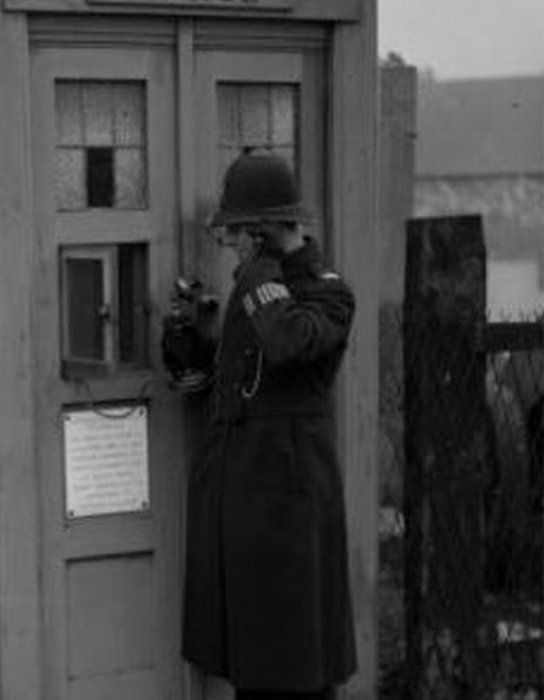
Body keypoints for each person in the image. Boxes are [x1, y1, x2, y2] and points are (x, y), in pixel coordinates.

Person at [163, 150, 357, 698]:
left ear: (264, 233)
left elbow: (288, 344)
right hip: (240, 500)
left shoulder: (328, 291)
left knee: (292, 666)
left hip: (287, 507)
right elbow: (243, 374)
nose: (227, 246)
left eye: (236, 235)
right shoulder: (260, 288)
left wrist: (256, 274)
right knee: (255, 669)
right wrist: (191, 344)